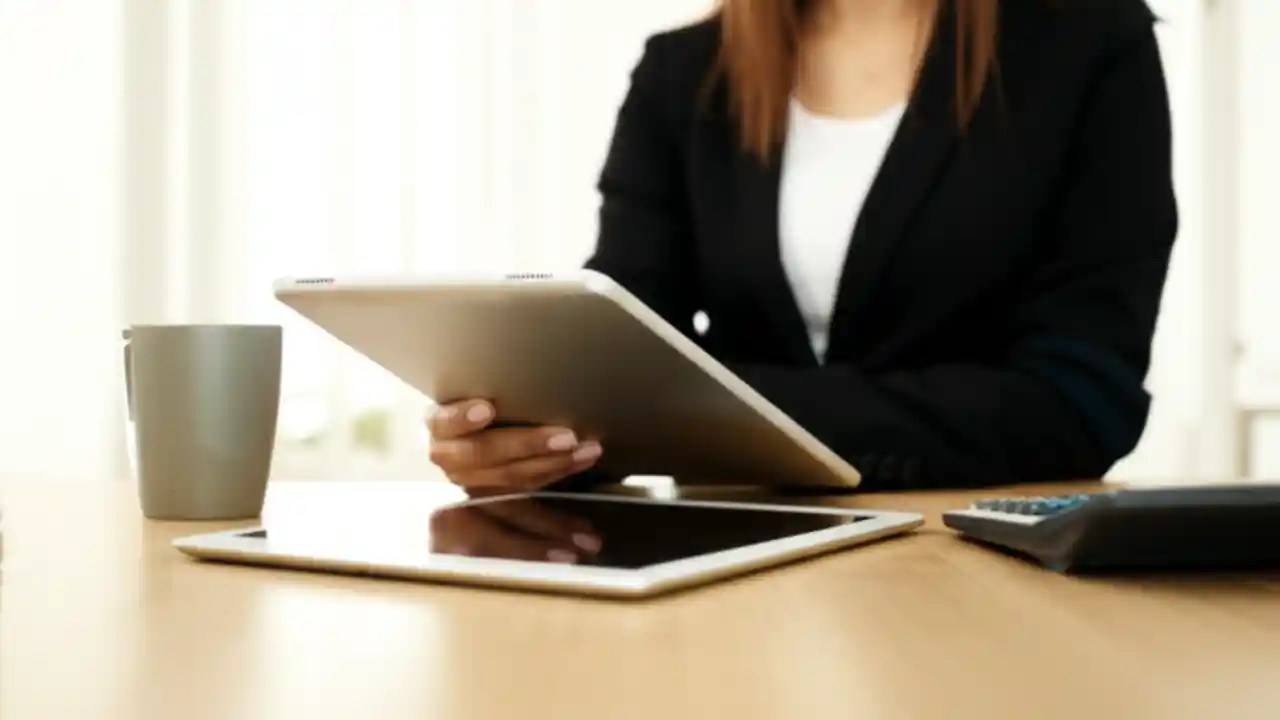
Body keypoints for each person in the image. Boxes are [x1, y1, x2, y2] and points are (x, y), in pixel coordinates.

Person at [427, 0, 1177, 492]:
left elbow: (1082, 400)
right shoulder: (683, 74)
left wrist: (712, 415)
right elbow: (624, 349)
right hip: (731, 557)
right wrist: (537, 437)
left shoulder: (1088, 43)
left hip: (979, 559)